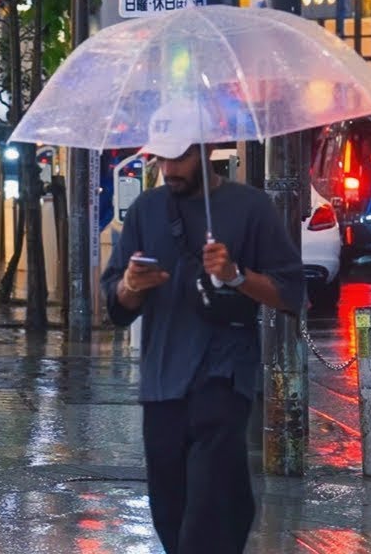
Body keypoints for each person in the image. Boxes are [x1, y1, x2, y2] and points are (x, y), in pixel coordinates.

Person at [100, 104, 305, 554]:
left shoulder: (249, 208)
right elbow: (115, 307)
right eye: (161, 158)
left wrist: (236, 276)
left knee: (208, 508)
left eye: (180, 157)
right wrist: (132, 287)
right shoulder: (145, 211)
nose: (169, 169)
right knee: (169, 510)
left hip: (224, 376)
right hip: (162, 382)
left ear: (207, 149)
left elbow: (291, 295)